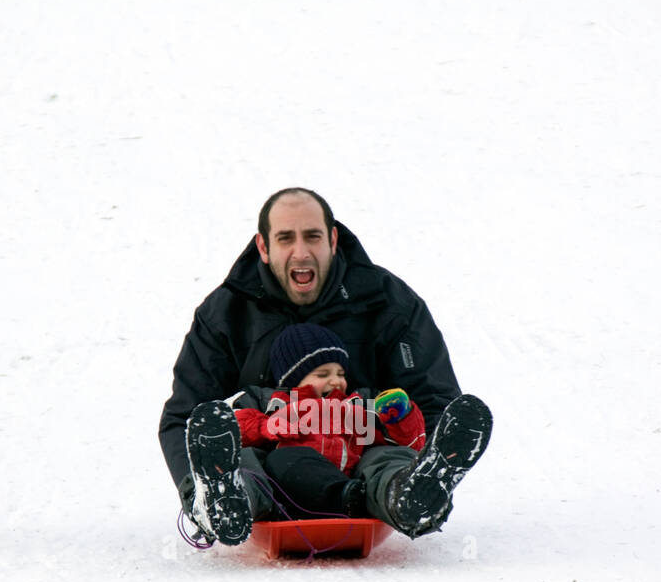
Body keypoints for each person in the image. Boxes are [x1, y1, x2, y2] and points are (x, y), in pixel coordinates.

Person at [159, 187, 492, 546]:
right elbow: (187, 418)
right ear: (263, 247)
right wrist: (196, 491)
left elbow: (434, 401)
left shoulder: (389, 304)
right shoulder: (226, 314)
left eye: (313, 236)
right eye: (285, 238)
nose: (301, 252)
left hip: (361, 471)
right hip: (273, 476)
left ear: (333, 240)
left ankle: (407, 495)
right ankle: (223, 503)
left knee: (387, 457)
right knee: (246, 459)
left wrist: (408, 442)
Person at [235, 323, 428, 520]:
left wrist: (400, 418)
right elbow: (232, 426)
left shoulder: (359, 403)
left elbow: (411, 446)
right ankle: (236, 502)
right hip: (286, 498)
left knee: (383, 457)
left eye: (341, 374)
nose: (336, 381)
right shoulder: (273, 403)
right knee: (261, 459)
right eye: (323, 374)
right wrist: (264, 426)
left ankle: (401, 494)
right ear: (294, 379)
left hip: (355, 494)